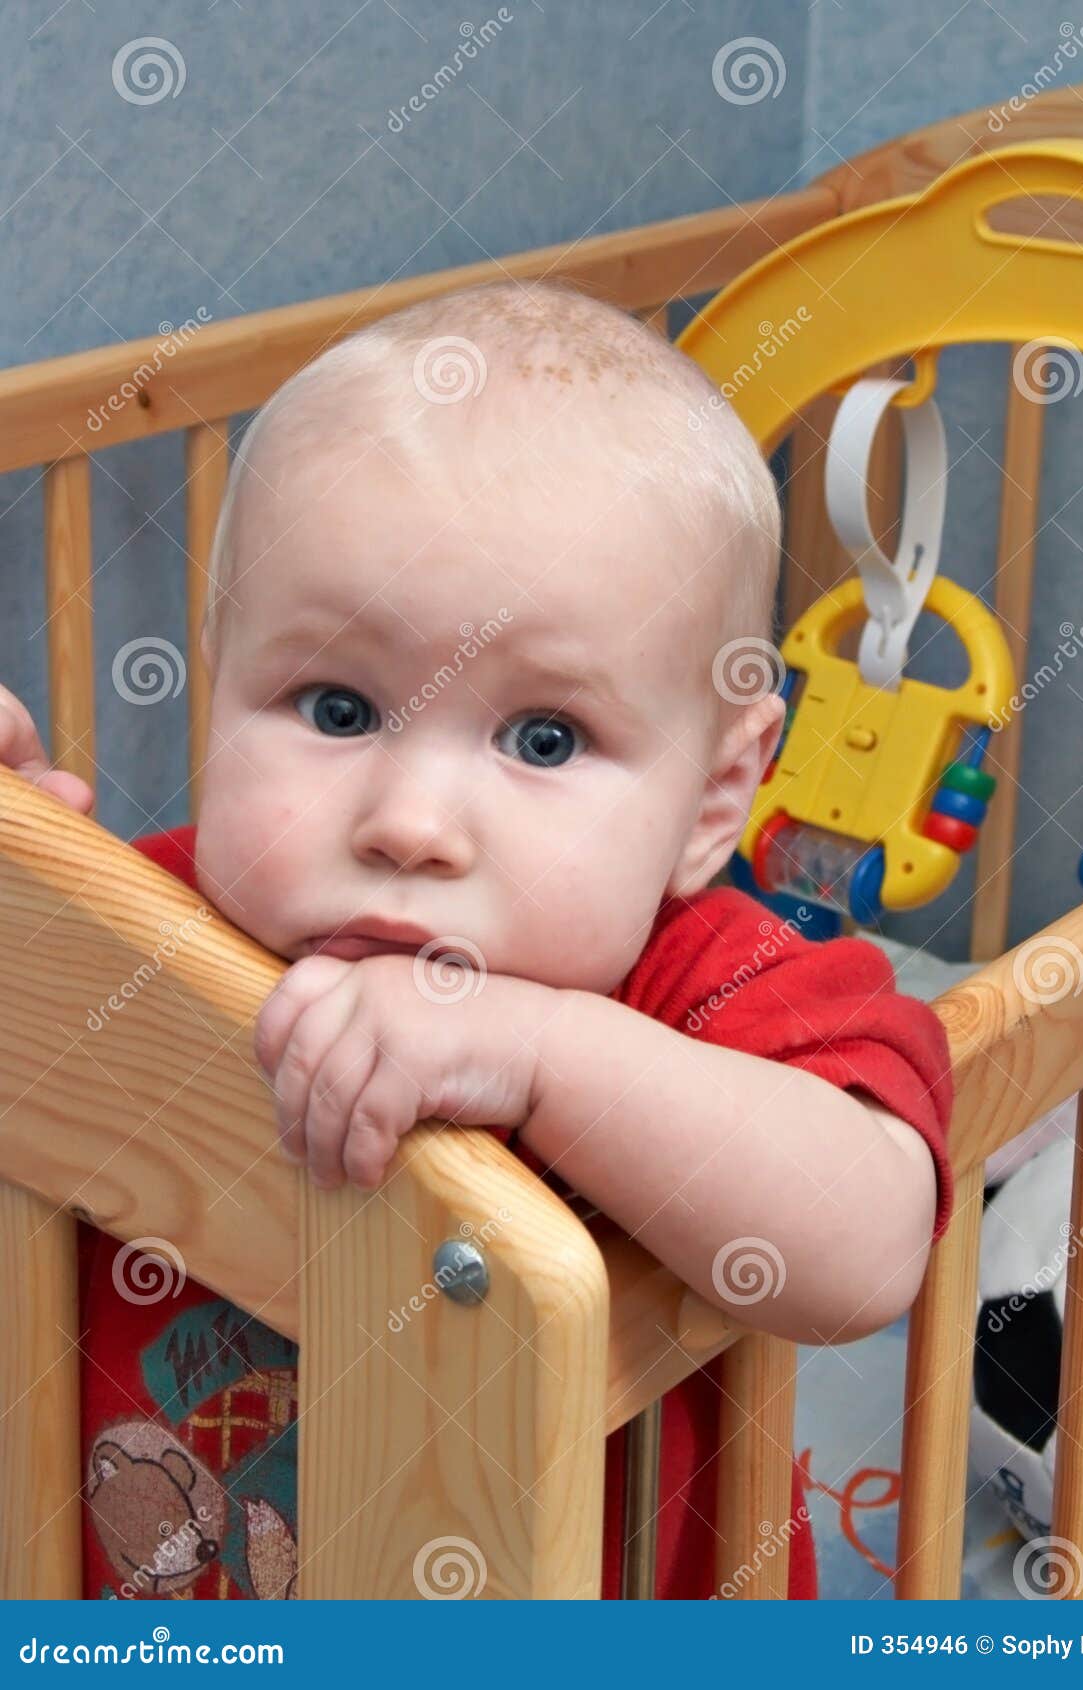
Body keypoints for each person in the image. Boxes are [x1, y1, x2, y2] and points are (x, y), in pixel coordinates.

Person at [0, 279, 953, 1600]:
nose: (409, 821)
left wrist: (547, 1053)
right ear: (219, 680)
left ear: (715, 799)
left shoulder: (702, 986)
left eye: (544, 739)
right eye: (335, 705)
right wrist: (29, 895)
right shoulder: (146, 929)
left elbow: (864, 1247)